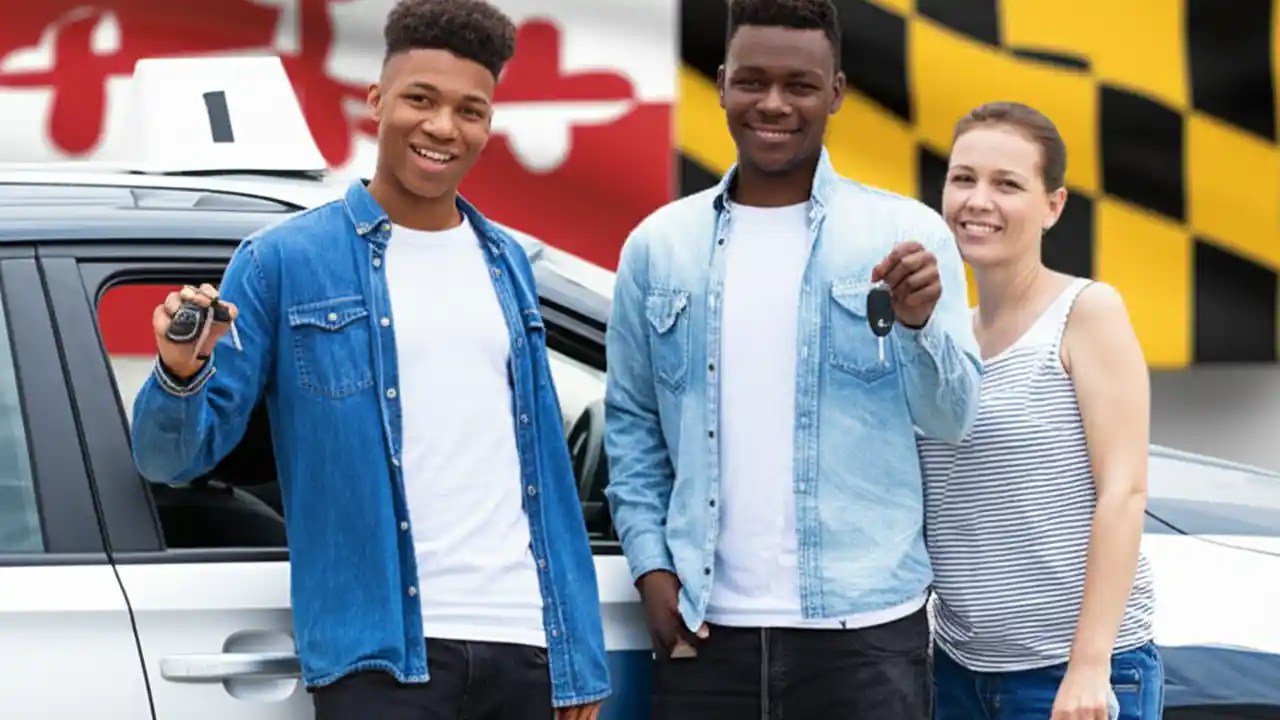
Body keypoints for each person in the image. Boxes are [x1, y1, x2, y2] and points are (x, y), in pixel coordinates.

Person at [128, 1, 610, 718]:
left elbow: (540, 465)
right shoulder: (282, 261)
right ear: (377, 100)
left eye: (469, 110)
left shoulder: (506, 261)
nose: (443, 127)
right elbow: (172, 458)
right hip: (381, 658)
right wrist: (180, 371)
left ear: (488, 122)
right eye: (421, 98)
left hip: (523, 646)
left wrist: (578, 656)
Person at [602, 0, 982, 717]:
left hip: (865, 633)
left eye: (800, 86)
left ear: (835, 92)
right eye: (752, 81)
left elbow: (953, 417)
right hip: (707, 631)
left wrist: (921, 324)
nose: (772, 104)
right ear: (720, 84)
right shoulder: (659, 245)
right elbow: (632, 424)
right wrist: (652, 566)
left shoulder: (907, 233)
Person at [918, 100, 1163, 720]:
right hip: (957, 673)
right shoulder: (943, 339)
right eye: (963, 178)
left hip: (1068, 680)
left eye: (1008, 184)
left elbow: (1124, 491)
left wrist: (1088, 667)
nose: (978, 200)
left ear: (1053, 206)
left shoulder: (1087, 313)